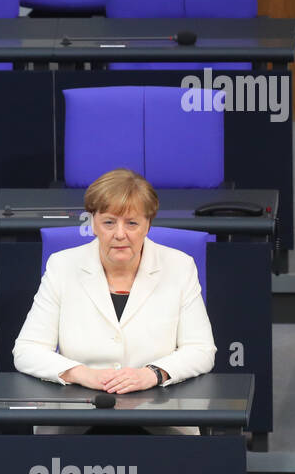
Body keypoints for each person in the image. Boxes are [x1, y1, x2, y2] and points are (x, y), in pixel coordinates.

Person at [12, 168, 216, 434]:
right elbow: (27, 349)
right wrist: (81, 374)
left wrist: (151, 374)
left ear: (148, 224)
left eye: (132, 223)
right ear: (93, 223)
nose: (120, 234)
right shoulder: (62, 265)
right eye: (109, 222)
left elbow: (201, 350)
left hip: (160, 418)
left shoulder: (179, 266)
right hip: (76, 417)